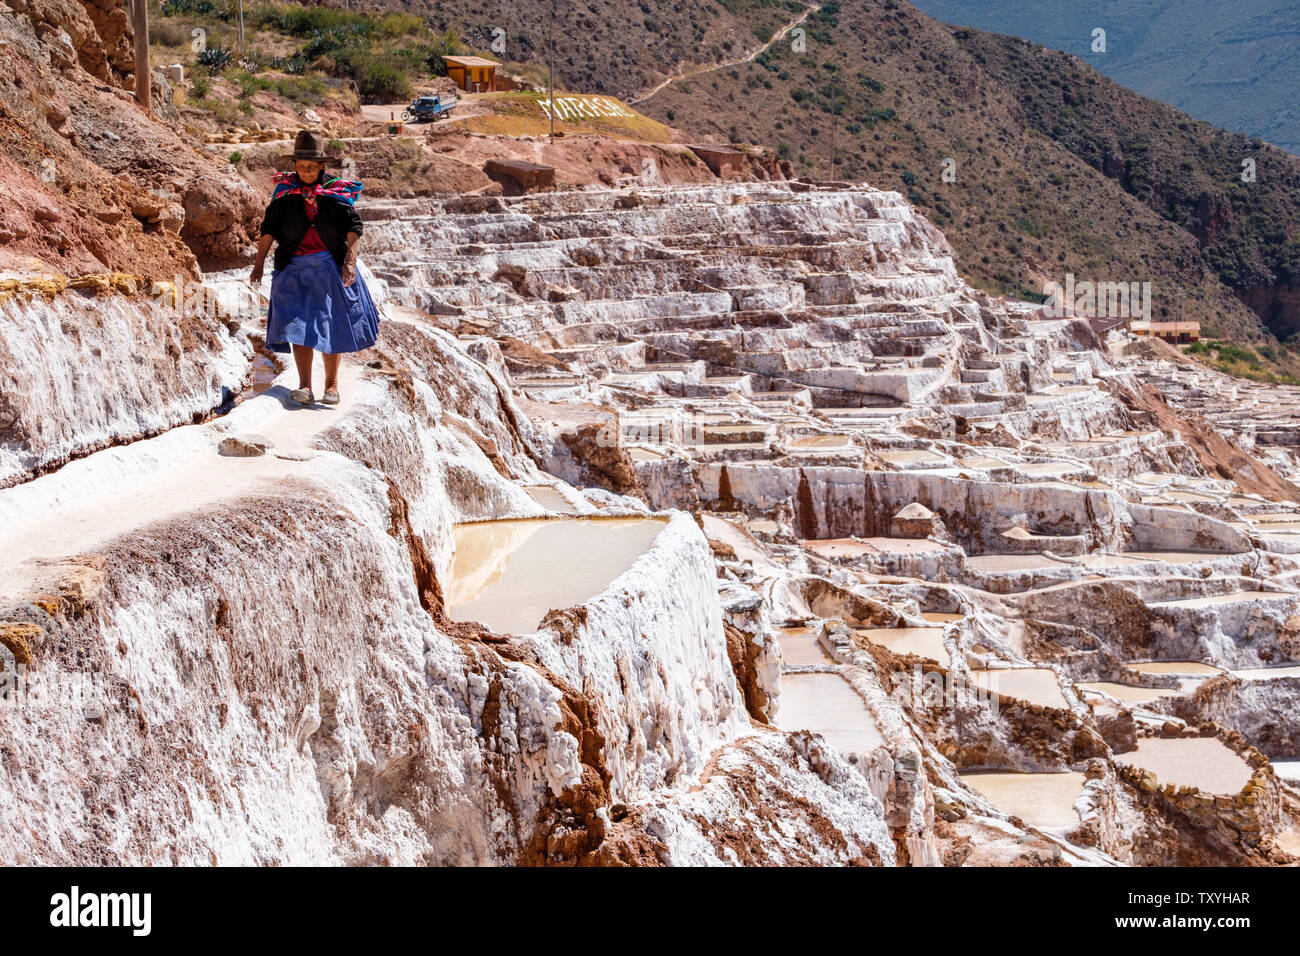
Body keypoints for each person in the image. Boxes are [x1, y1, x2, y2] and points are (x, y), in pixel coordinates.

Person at [250, 129, 379, 406]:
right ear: (294, 166)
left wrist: (351, 262)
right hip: (293, 269)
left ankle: (331, 386)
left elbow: (353, 227)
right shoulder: (284, 194)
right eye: (300, 166)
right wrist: (259, 264)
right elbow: (269, 230)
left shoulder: (335, 193)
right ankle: (304, 386)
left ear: (321, 166)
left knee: (331, 326)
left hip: (329, 267)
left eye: (311, 167)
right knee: (298, 327)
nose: (305, 171)